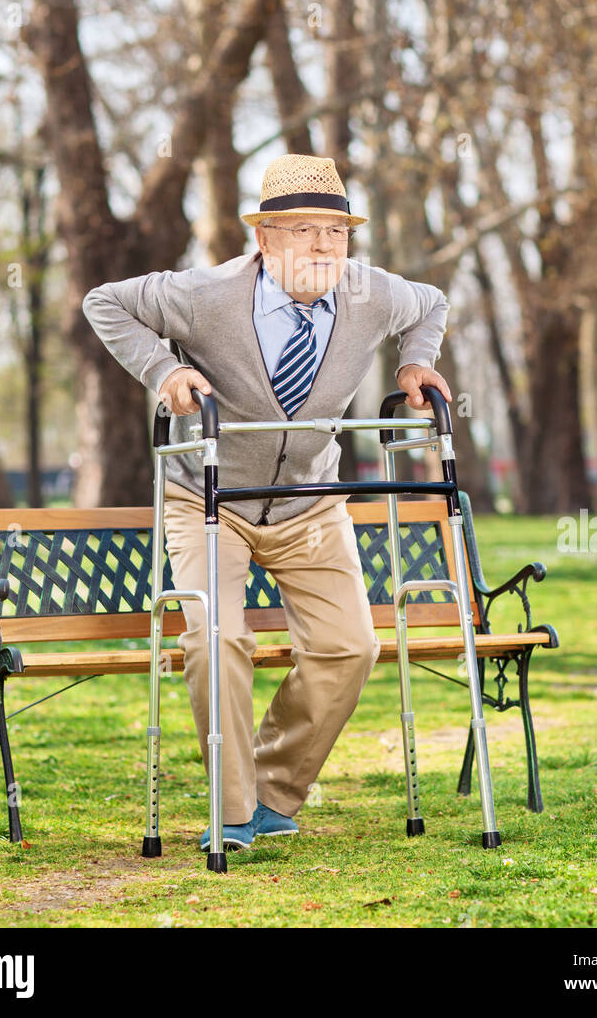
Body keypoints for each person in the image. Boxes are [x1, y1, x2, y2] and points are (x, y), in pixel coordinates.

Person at [82, 153, 451, 851]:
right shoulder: (202, 294)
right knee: (217, 639)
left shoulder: (372, 293)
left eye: (336, 232)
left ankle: (274, 791)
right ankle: (231, 812)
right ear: (266, 238)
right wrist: (164, 368)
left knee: (351, 647)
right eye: (305, 231)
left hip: (310, 500)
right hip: (208, 497)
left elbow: (430, 303)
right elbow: (104, 301)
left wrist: (413, 361)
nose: (323, 246)